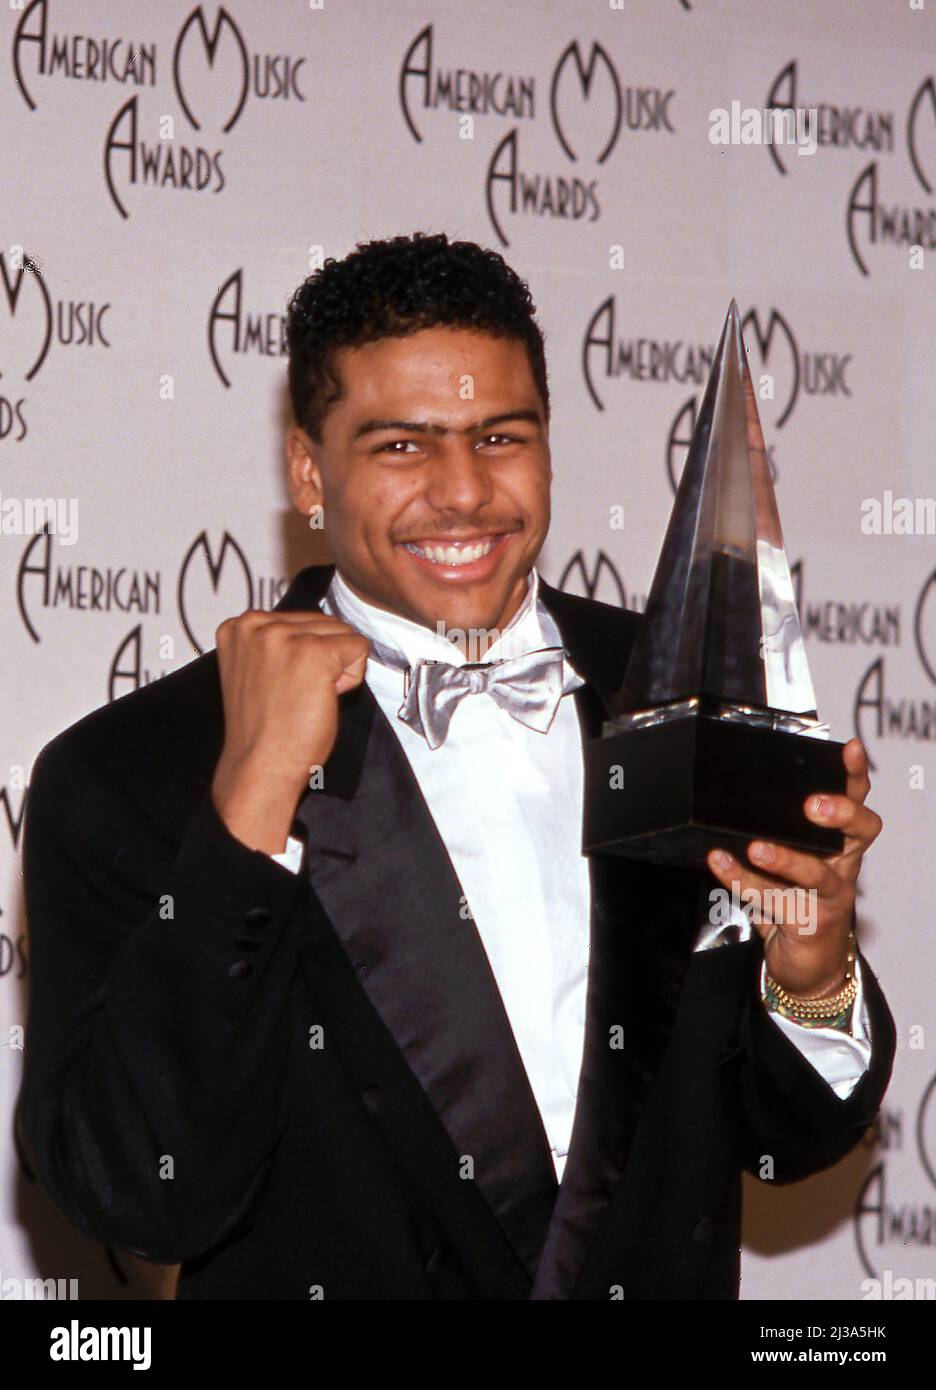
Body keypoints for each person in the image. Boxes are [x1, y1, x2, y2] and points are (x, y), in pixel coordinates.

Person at [17, 232, 895, 1300]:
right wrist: (249, 810)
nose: (465, 491)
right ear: (308, 467)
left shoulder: (682, 691)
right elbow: (142, 1196)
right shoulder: (134, 772)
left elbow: (780, 1142)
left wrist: (812, 980)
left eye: (500, 436)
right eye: (401, 446)